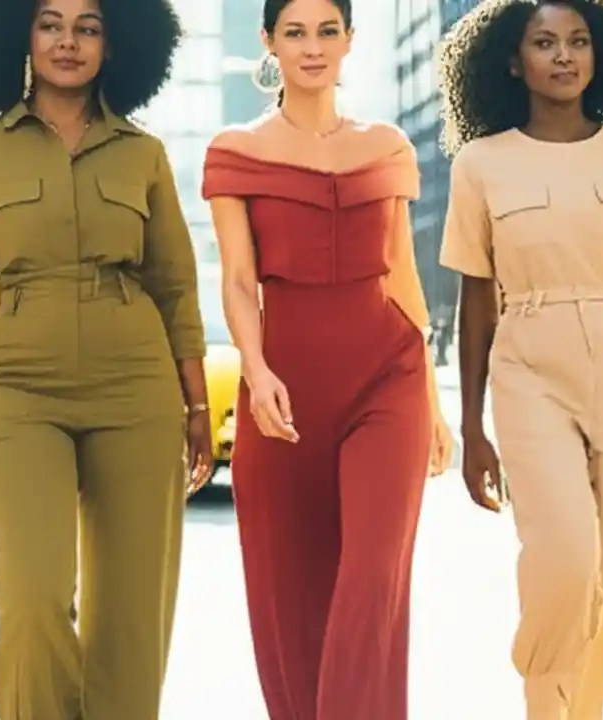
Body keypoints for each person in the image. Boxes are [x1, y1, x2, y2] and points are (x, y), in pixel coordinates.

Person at [0, 0, 212, 717]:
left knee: (131, 614)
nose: (68, 41)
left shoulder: (143, 154)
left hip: (136, 386)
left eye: (87, 26)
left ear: (115, 44)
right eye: (50, 23)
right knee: (31, 594)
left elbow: (177, 288)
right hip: (20, 388)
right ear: (18, 35)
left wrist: (198, 410)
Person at [436, 0, 603, 717]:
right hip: (528, 363)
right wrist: (472, 425)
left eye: (577, 41)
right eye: (544, 42)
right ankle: (545, 700)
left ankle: (587, 705)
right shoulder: (480, 164)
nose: (564, 56)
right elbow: (476, 299)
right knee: (566, 558)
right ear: (513, 61)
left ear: (598, 52)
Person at [202, 0, 453, 717]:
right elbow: (239, 280)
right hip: (286, 386)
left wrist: (433, 404)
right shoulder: (235, 151)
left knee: (374, 579)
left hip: (389, 378)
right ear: (269, 44)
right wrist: (256, 372)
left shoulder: (389, 146)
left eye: (327, 31)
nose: (312, 47)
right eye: (295, 32)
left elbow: (403, 277)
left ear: (349, 40)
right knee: (295, 595)